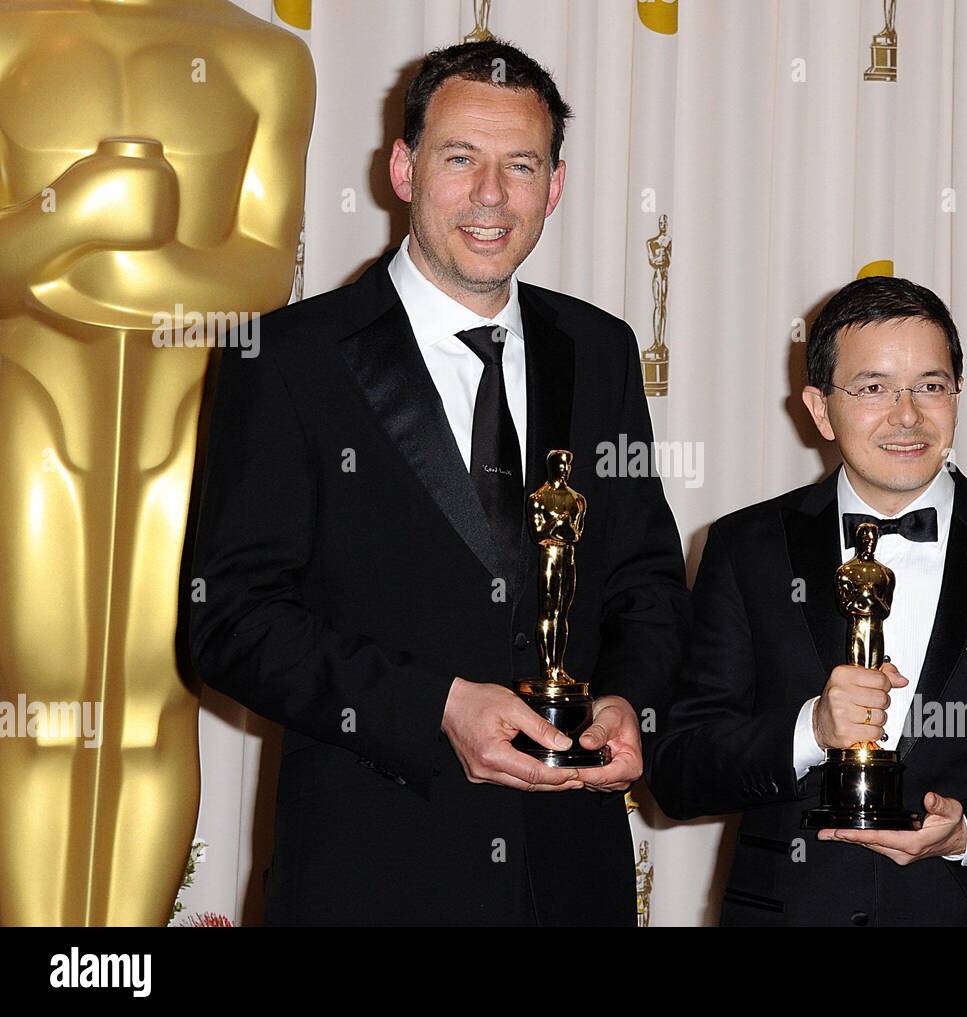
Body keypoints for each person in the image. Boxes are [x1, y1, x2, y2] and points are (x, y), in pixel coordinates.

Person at [189, 39, 689, 926]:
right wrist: (436, 708)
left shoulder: (602, 349)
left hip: (570, 878)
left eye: (520, 165)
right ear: (403, 169)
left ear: (556, 186)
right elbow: (227, 619)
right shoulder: (289, 357)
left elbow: (645, 578)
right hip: (373, 869)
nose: (491, 195)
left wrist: (626, 700)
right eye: (460, 158)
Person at [650, 276, 967, 926]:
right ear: (820, 407)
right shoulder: (746, 548)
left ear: (958, 397)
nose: (907, 414)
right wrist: (810, 730)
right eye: (873, 387)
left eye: (931, 385)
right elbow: (680, 770)